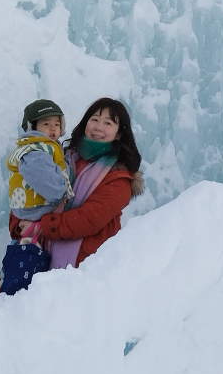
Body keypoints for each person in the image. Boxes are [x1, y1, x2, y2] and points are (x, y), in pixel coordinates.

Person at [34, 97, 143, 270]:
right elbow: (28, 191)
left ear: (119, 133)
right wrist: (19, 224)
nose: (99, 127)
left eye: (108, 123)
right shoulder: (61, 157)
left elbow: (88, 219)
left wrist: (38, 226)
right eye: (94, 119)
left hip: (82, 270)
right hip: (34, 253)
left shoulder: (119, 178)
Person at [0, 97, 73, 295]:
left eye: (57, 124)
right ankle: (19, 292)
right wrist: (61, 191)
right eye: (46, 124)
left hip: (34, 209)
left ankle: (19, 287)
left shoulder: (44, 147)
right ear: (32, 126)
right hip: (37, 209)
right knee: (28, 253)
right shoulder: (36, 150)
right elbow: (44, 179)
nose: (53, 129)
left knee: (30, 249)